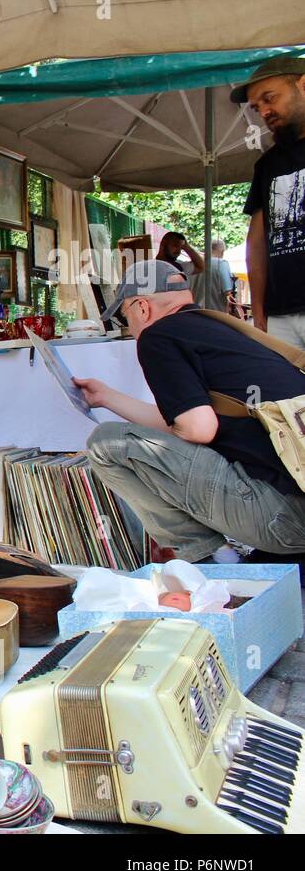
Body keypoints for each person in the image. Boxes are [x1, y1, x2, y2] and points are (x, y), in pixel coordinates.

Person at [73, 259, 305, 563]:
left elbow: (197, 429)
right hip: (294, 508)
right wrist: (106, 397)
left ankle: (216, 561)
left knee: (105, 444)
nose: (128, 326)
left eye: (125, 315)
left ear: (142, 307)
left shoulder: (159, 336)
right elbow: (191, 420)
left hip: (283, 521)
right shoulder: (222, 329)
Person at [235, 55, 305, 347]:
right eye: (256, 107)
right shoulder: (267, 165)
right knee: (286, 394)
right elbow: (257, 242)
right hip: (279, 316)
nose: (263, 111)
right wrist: (259, 313)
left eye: (269, 98)